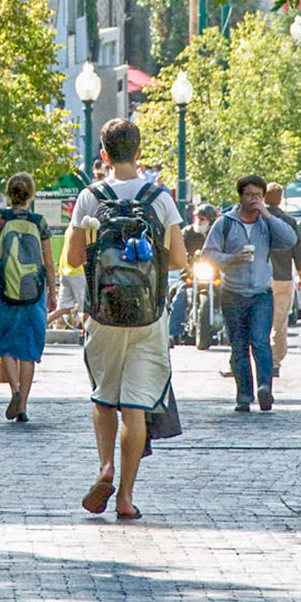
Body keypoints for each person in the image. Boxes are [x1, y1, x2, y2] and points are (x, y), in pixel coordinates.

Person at [65, 118, 187, 521]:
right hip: (148, 315)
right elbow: (180, 259)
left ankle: (105, 468)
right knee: (134, 408)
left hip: (103, 313)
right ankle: (126, 498)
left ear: (103, 154)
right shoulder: (160, 198)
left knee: (104, 396)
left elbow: (74, 257)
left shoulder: (90, 196)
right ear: (139, 152)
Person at [202, 175, 297, 412]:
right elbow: (208, 254)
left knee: (260, 341)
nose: (253, 199)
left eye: (258, 195)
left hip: (261, 292)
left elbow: (290, 240)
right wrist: (230, 259)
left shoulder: (267, 223)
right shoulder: (225, 222)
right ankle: (243, 395)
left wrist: (267, 214)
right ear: (240, 196)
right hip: (232, 293)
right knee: (239, 345)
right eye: (249, 195)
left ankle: (265, 388)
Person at [0, 173, 55, 423]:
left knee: (7, 344)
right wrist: (52, 291)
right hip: (33, 291)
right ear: (31, 194)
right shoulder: (39, 221)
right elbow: (48, 262)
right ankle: (22, 405)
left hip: (4, 288)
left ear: (8, 193)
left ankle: (14, 390)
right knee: (29, 349)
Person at [265, 182, 301, 377]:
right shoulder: (289, 222)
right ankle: (274, 362)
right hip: (282, 277)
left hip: (260, 278)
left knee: (259, 321)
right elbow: (297, 253)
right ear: (280, 198)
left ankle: (259, 358)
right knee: (279, 323)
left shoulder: (256, 220)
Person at [170, 203, 218, 339]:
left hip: (214, 274)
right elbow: (177, 249)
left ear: (211, 221)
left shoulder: (217, 233)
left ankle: (229, 331)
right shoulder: (187, 233)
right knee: (181, 294)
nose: (199, 221)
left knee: (228, 296)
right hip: (190, 273)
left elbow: (225, 248)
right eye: (197, 218)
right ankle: (173, 332)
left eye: (202, 219)